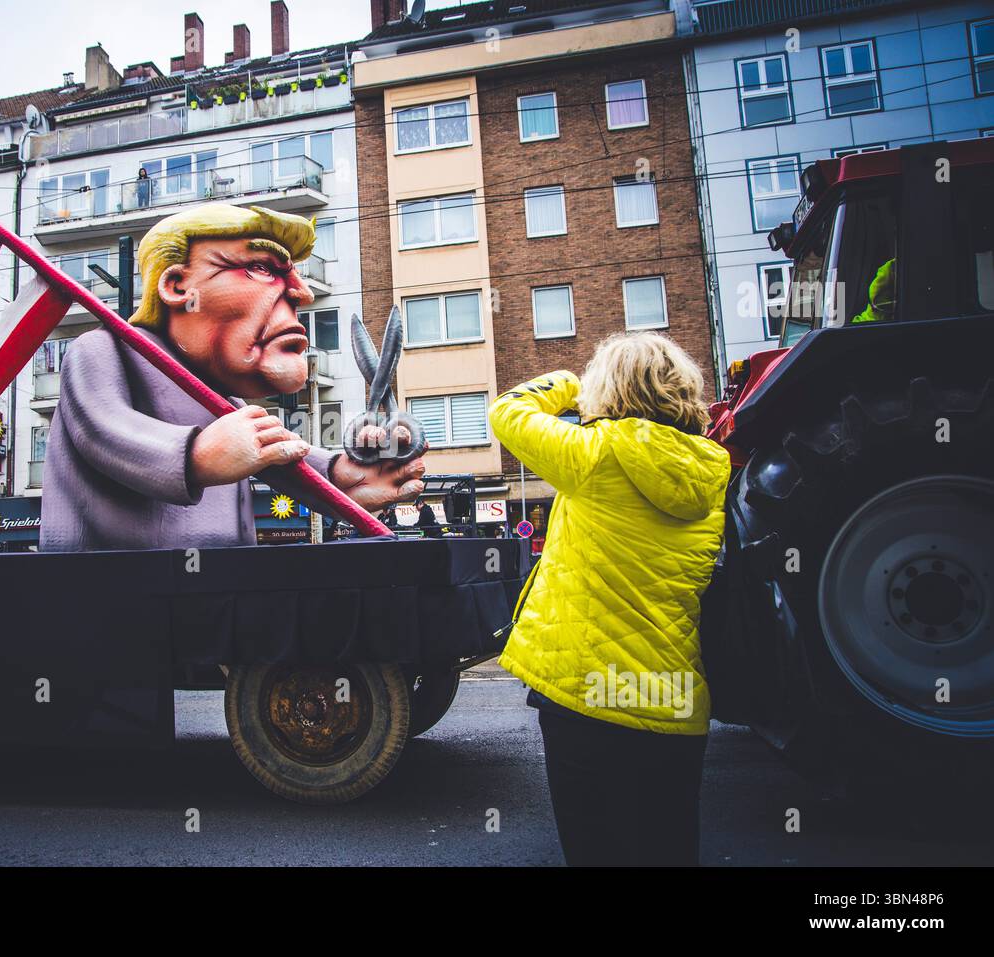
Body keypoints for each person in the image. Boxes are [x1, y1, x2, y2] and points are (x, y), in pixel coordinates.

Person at [40, 205, 425, 552]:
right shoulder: (105, 349)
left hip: (225, 600)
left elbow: (278, 458)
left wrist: (343, 475)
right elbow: (105, 431)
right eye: (261, 268)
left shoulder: (220, 397)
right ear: (178, 287)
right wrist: (196, 454)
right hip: (112, 603)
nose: (302, 293)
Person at [489, 331, 731, 866]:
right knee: (668, 850)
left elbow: (509, 410)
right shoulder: (713, 470)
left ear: (609, 390)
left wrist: (574, 384)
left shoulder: (595, 455)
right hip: (677, 705)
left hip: (589, 702)